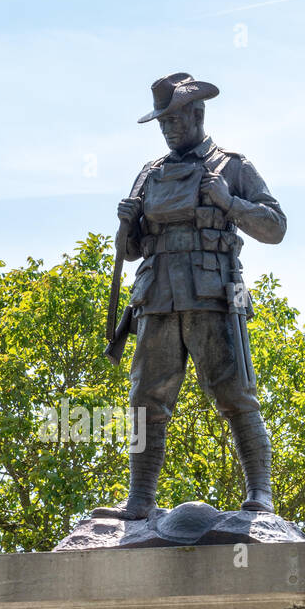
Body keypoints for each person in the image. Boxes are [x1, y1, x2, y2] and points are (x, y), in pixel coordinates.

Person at [106, 72, 286, 518]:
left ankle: (259, 494)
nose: (168, 130)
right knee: (145, 401)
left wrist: (229, 203)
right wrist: (125, 224)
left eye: (174, 120)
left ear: (198, 114)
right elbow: (129, 252)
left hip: (213, 293)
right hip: (157, 296)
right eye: (162, 123)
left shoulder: (233, 167)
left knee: (234, 393)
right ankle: (141, 499)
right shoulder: (149, 175)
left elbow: (275, 228)